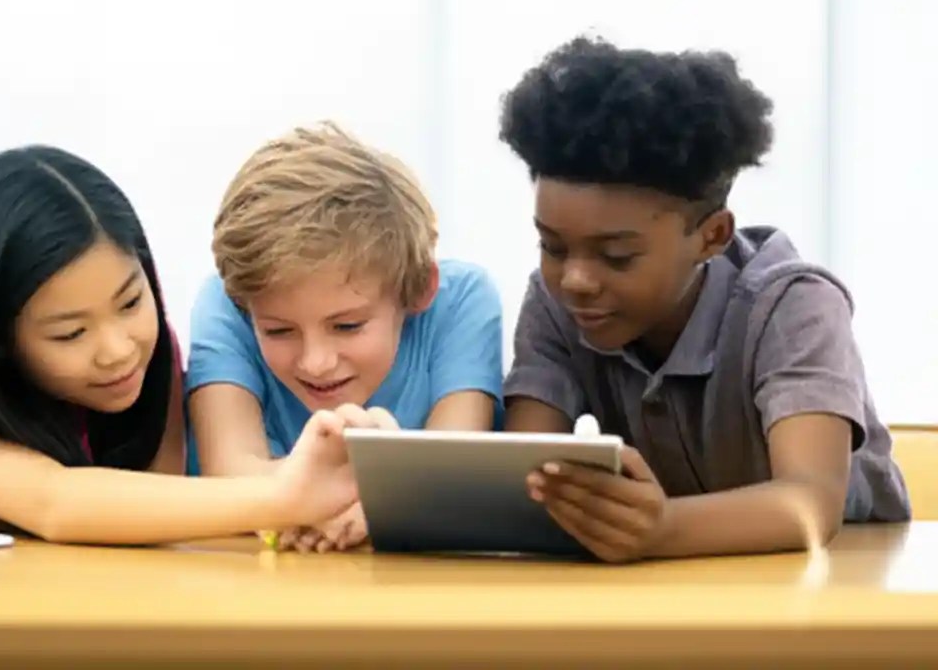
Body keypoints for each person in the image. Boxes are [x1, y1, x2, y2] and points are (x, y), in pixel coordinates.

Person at [497, 36, 911, 563]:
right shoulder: (558, 303)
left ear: (712, 236)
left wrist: (664, 527)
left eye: (618, 255)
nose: (575, 279)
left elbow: (810, 503)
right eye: (551, 246)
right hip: (683, 582)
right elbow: (525, 473)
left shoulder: (794, 307)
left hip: (845, 588)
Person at [0, 145, 375, 544]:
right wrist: (288, 497)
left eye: (132, 302)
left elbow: (155, 506)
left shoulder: (152, 358)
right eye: (70, 332)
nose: (118, 349)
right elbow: (56, 502)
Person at [187, 122, 505, 552]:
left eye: (348, 326)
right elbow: (231, 478)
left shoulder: (463, 300)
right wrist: (384, 488)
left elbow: (448, 475)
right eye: (278, 330)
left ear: (418, 290)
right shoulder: (228, 301)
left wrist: (384, 494)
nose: (316, 362)